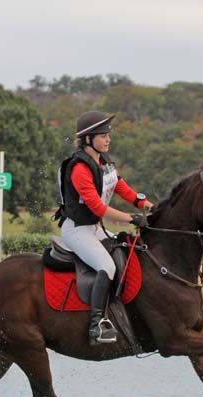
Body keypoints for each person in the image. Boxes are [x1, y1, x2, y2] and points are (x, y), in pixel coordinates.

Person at [57, 111, 153, 345]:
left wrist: (144, 203)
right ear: (88, 139)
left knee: (127, 255)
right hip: (77, 230)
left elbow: (119, 185)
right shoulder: (79, 168)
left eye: (108, 133)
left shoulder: (104, 160)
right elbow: (98, 208)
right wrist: (131, 218)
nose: (108, 138)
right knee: (107, 266)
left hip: (95, 228)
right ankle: (96, 325)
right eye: (102, 135)